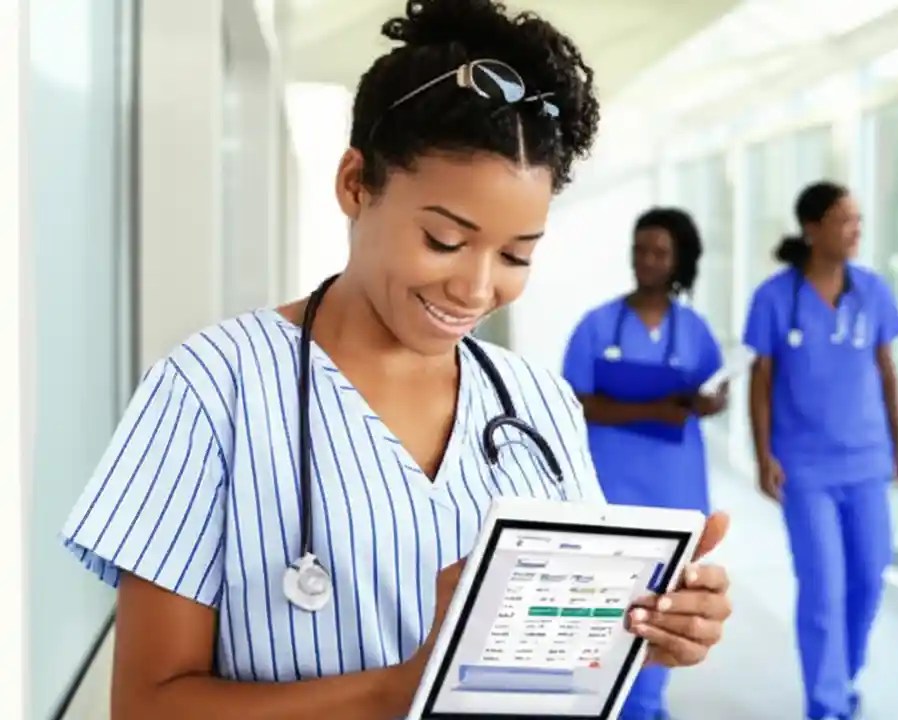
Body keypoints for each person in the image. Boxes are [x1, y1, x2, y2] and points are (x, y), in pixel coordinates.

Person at [58, 2, 733, 718]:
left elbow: (563, 658)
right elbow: (146, 705)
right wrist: (396, 688)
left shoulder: (539, 403)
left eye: (515, 255)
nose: (476, 289)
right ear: (356, 184)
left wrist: (643, 628)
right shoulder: (211, 389)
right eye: (445, 241)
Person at [742, 181, 898, 720]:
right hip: (805, 467)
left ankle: (844, 676)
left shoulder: (873, 291)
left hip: (867, 461)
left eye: (858, 219)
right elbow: (761, 381)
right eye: (844, 219)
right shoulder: (776, 297)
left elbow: (886, 372)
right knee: (822, 588)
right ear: (812, 228)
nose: (855, 229)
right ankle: (826, 702)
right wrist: (763, 455)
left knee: (869, 577)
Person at [562, 207, 727, 720]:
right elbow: (574, 401)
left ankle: (644, 707)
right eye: (640, 249)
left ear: (679, 260)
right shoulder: (597, 325)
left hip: (673, 485)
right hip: (611, 484)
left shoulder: (693, 329)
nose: (647, 261)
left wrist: (708, 402)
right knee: (606, 609)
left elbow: (714, 390)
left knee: (661, 607)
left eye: (659, 252)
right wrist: (652, 408)